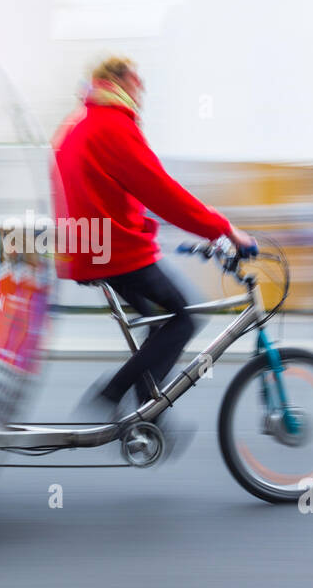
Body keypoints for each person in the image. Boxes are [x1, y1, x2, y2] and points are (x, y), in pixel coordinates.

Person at [51, 57, 257, 421]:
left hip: (91, 248)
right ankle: (112, 393)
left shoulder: (78, 123)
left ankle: (147, 414)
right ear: (120, 80)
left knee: (161, 325)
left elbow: (110, 192)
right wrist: (223, 228)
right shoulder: (112, 125)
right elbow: (162, 192)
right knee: (184, 317)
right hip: (114, 250)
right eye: (137, 81)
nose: (141, 90)